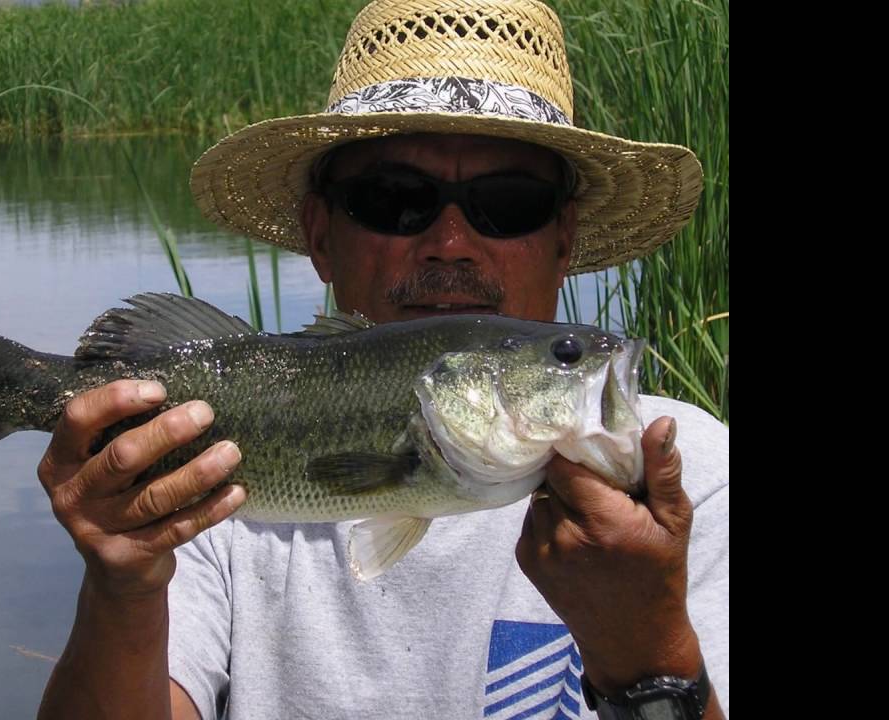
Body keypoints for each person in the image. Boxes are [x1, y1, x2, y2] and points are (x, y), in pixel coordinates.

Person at [36, 0, 728, 718]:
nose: (450, 244)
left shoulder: (690, 490)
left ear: (564, 239)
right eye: (394, 199)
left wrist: (649, 657)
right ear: (320, 234)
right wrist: (122, 589)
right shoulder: (200, 490)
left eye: (509, 203)